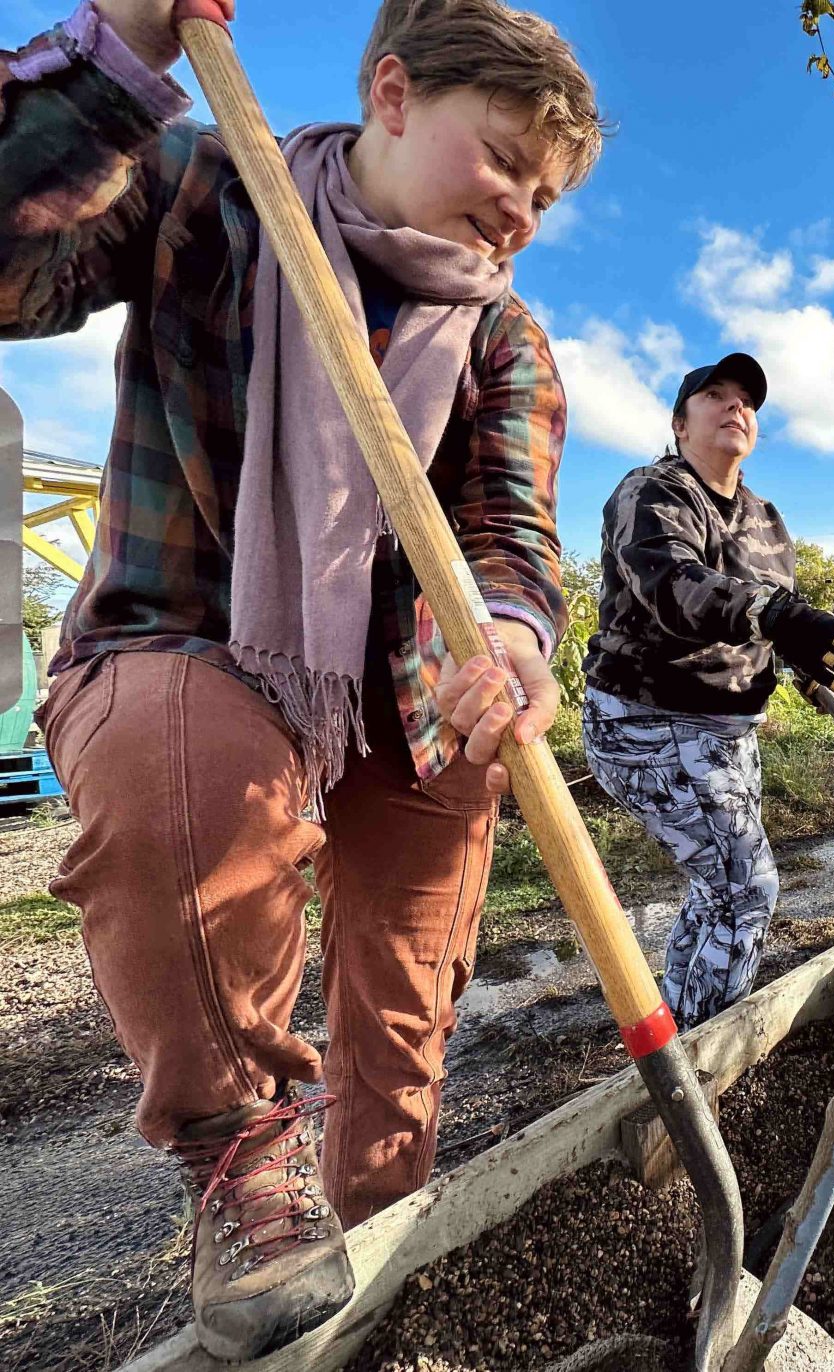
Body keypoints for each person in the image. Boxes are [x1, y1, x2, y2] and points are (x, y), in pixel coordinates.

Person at [4, 0, 602, 1354]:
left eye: (548, 195)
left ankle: (373, 1270)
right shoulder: (210, 188)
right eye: (505, 158)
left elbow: (513, 533)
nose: (522, 210)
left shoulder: (506, 339)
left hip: (409, 707)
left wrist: (506, 641)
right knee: (187, 777)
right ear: (392, 93)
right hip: (189, 638)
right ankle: (243, 1160)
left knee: (406, 1011)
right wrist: (115, 55)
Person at [582, 354, 834, 1029]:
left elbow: (782, 616)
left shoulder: (766, 517)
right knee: (748, 890)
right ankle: (705, 1063)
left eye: (746, 400)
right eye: (714, 396)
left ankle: (679, 1028)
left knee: (717, 889)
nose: (733, 407)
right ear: (680, 424)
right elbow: (674, 587)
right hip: (648, 720)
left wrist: (813, 657)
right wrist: (778, 617)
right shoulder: (654, 491)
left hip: (725, 731)